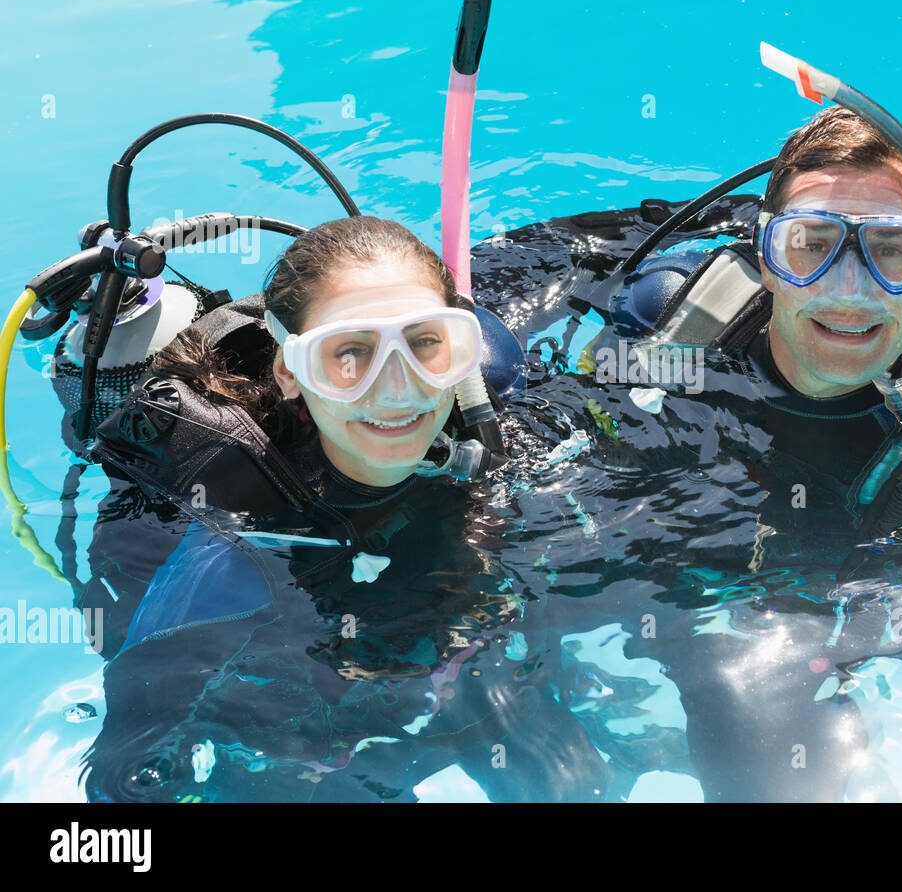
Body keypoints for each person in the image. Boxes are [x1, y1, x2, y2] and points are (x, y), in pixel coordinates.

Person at [492, 103, 902, 801]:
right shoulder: (680, 334)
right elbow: (535, 260)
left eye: (892, 250)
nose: (848, 290)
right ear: (764, 258)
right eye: (810, 245)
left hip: (901, 513)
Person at [77, 216, 612, 801]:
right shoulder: (230, 536)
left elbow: (555, 257)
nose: (399, 390)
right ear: (290, 370)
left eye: (426, 342)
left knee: (577, 784)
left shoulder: (489, 412)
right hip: (295, 663)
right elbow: (126, 769)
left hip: (418, 635)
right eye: (350, 353)